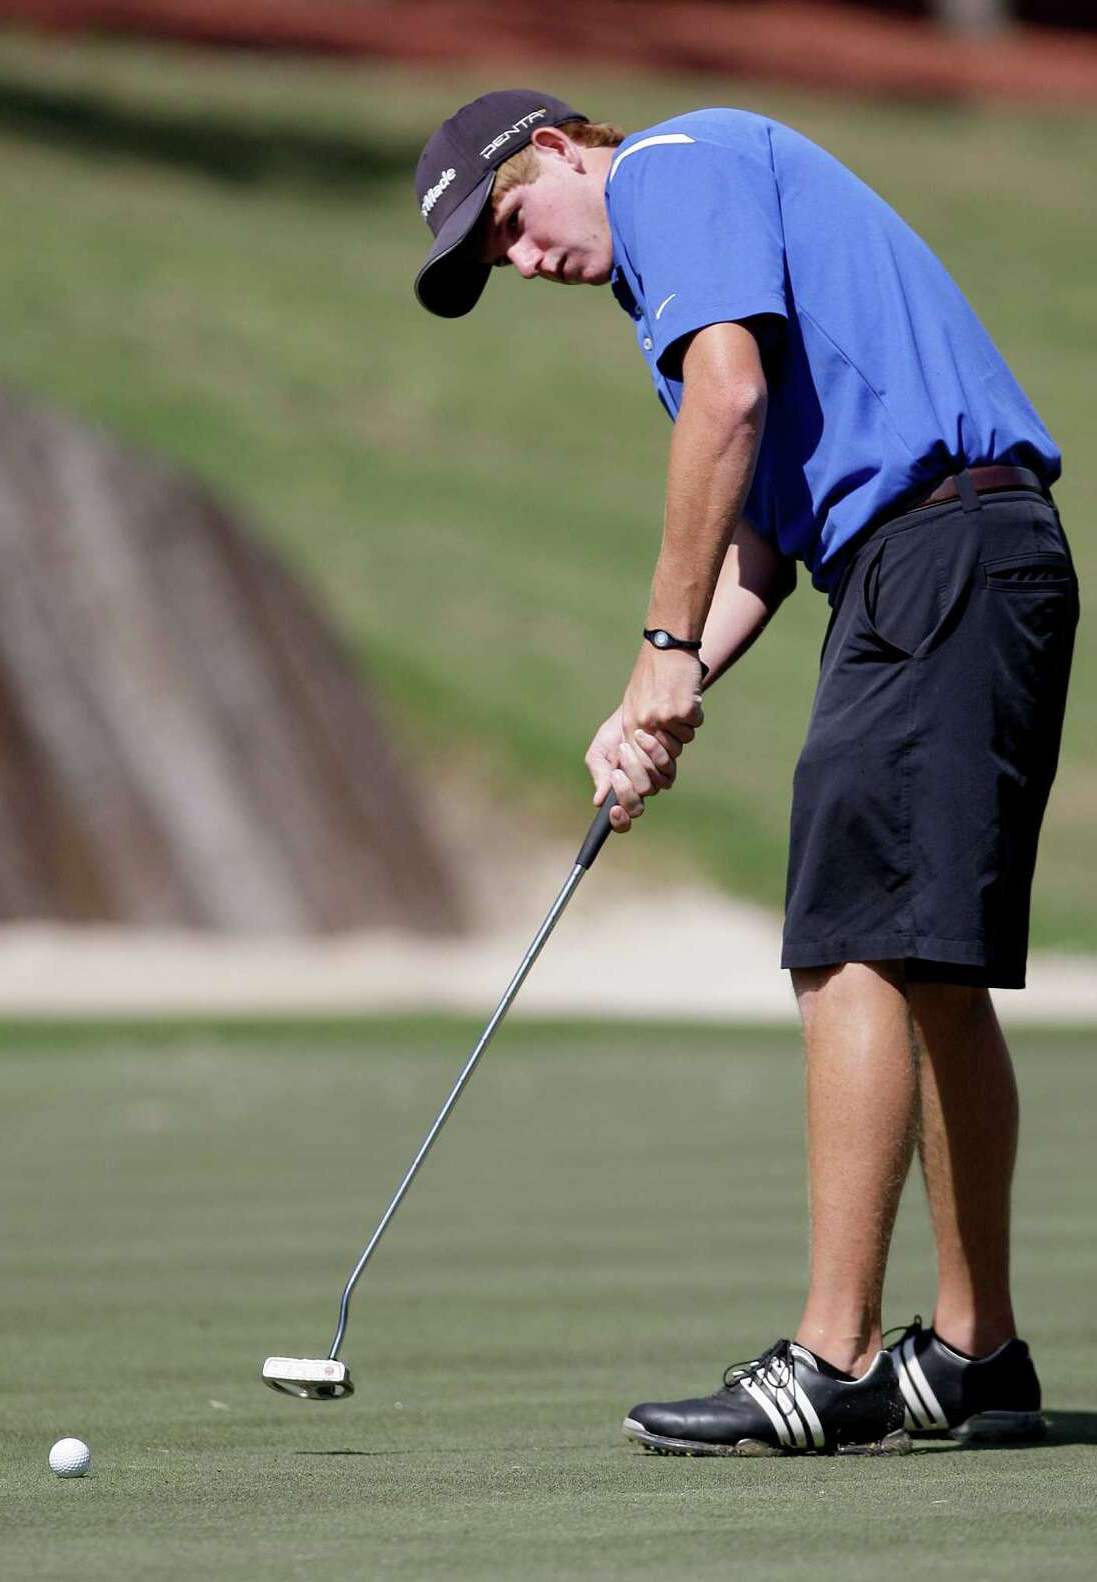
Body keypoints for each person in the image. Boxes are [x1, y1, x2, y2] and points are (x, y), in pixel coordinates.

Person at [412, 90, 1078, 1457]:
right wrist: (656, 694)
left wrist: (663, 640)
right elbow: (765, 545)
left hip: (937, 552)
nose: (526, 263)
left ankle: (834, 1359)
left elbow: (731, 395)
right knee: (934, 963)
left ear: (551, 149)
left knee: (851, 945)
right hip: (966, 552)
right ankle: (974, 1352)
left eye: (511, 228)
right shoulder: (683, 274)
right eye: (501, 266)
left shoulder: (669, 167)